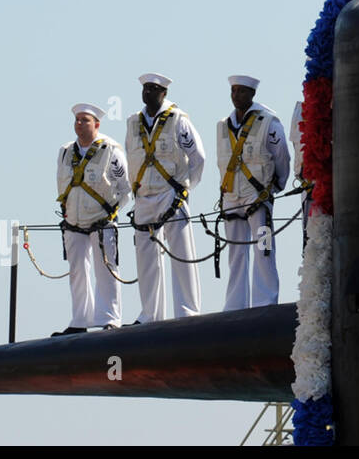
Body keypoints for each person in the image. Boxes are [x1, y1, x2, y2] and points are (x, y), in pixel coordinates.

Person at [126, 73, 205, 322]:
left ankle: (187, 311)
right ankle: (150, 314)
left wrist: (185, 187)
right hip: (144, 195)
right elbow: (131, 156)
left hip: (170, 193)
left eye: (153, 89)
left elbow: (198, 157)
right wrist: (136, 189)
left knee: (181, 253)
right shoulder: (133, 123)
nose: (148, 93)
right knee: (146, 258)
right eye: (145, 88)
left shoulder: (178, 121)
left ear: (164, 94)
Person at [52, 102, 131, 335]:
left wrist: (111, 213)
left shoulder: (110, 151)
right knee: (77, 272)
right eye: (77, 120)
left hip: (101, 220)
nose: (79, 124)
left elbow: (125, 188)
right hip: (74, 221)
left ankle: (110, 318)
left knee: (106, 269)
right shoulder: (66, 151)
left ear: (96, 124)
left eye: (85, 120)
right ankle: (79, 320)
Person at [217, 75, 290, 311]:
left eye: (241, 91)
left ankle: (265, 300)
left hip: (258, 196)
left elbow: (282, 157)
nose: (236, 96)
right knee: (236, 254)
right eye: (233, 91)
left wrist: (275, 186)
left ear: (252, 94)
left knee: (264, 250)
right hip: (232, 197)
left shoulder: (268, 122)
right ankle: (235, 305)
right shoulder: (223, 125)